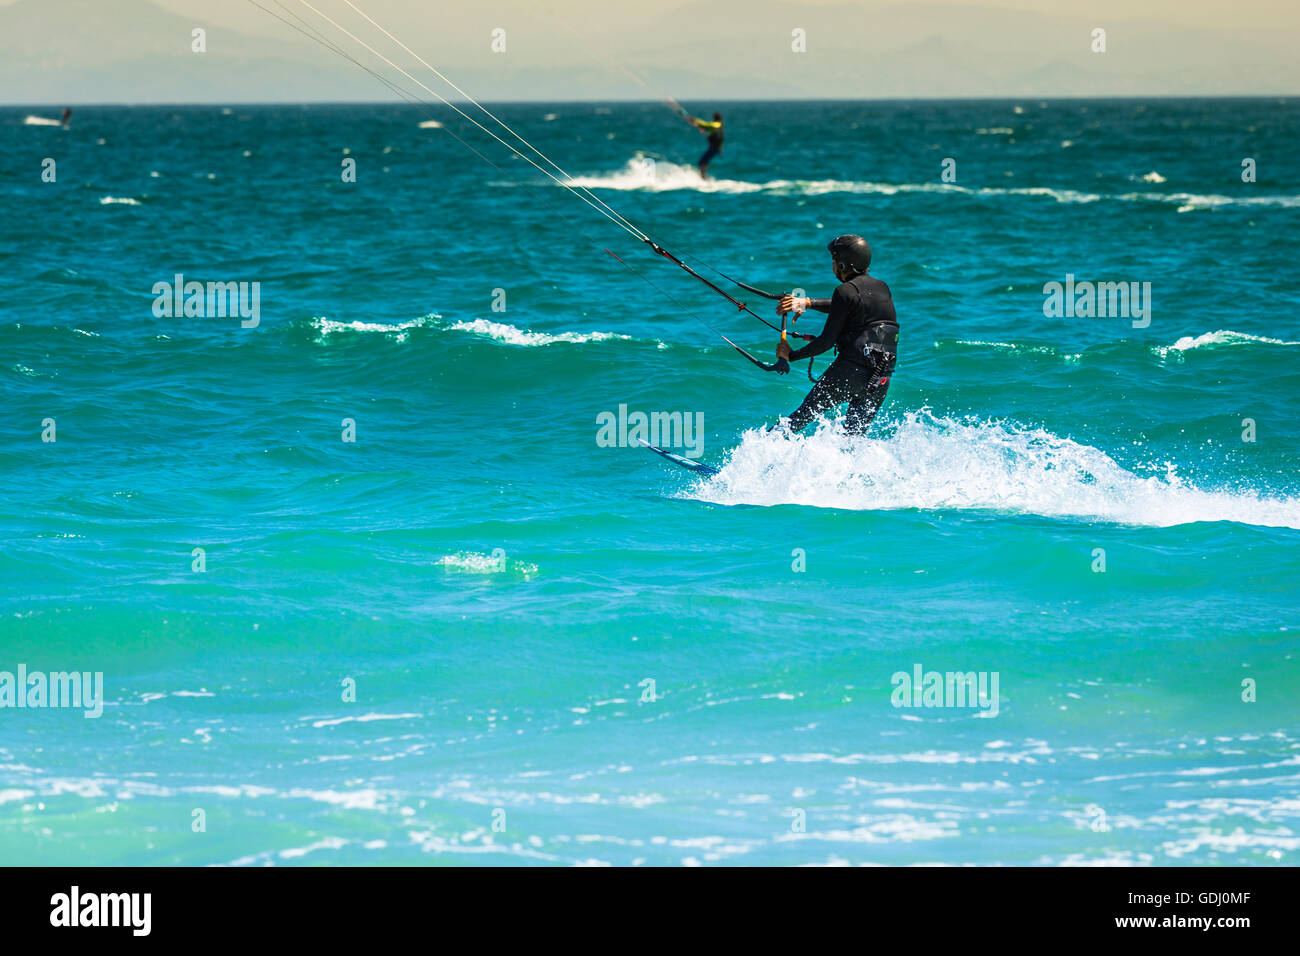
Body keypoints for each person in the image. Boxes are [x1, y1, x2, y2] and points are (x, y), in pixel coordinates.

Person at [775, 235, 899, 434]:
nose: (832, 265)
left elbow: (826, 341)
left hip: (850, 372)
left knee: (799, 418)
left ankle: (754, 456)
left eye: (834, 260)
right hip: (881, 377)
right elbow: (851, 304)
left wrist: (791, 355)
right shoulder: (883, 288)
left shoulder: (844, 291)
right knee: (853, 438)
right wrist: (808, 303)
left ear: (842, 265)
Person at [689, 111, 724, 180]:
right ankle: (703, 177)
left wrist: (696, 120)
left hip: (714, 148)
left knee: (702, 162)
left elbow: (706, 125)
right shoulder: (718, 125)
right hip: (715, 148)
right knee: (703, 162)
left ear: (714, 118)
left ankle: (703, 178)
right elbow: (705, 126)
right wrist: (698, 124)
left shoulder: (716, 125)